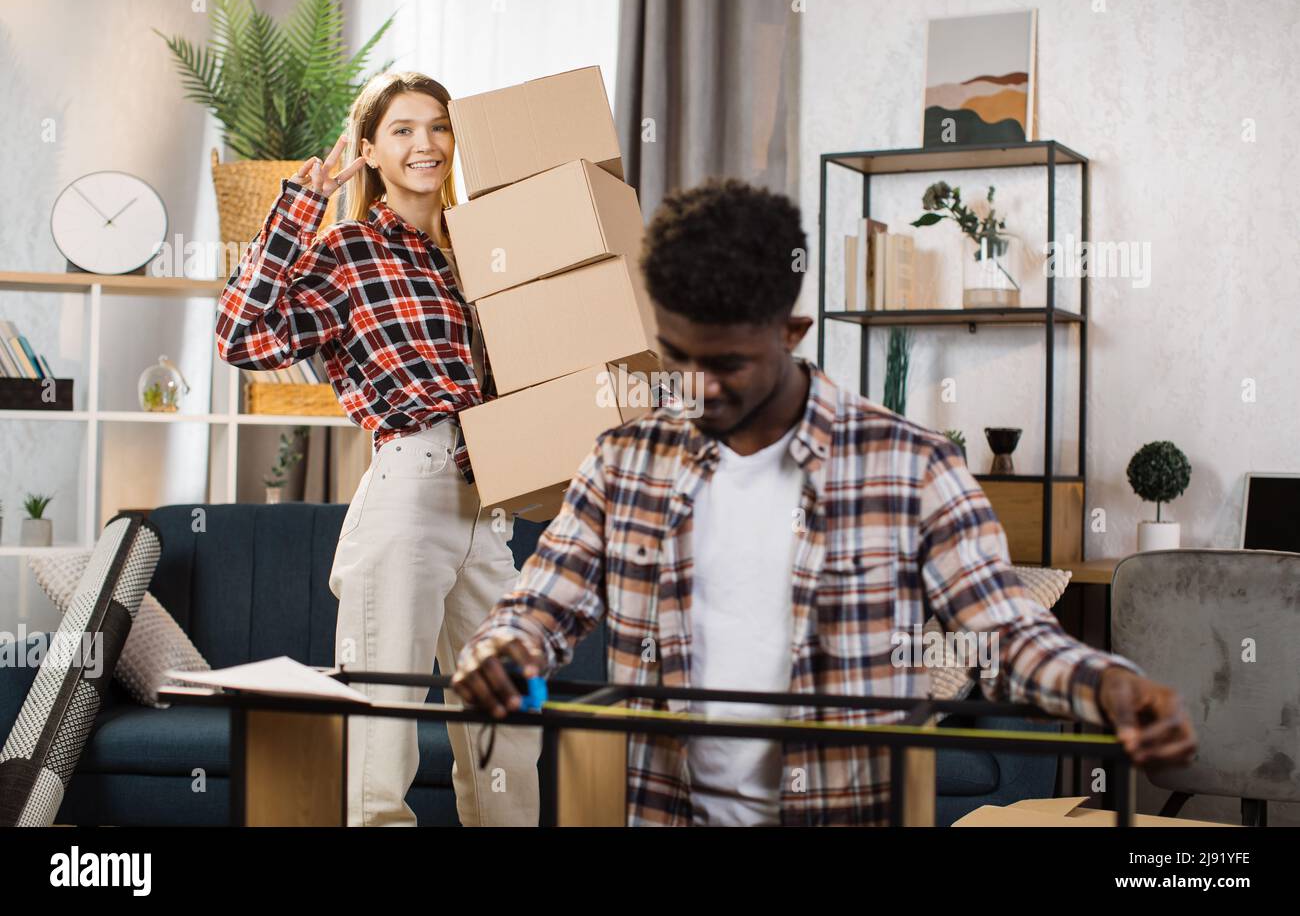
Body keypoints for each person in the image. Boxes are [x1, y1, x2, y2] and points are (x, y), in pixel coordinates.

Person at [451, 177, 1197, 826]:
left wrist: (1107, 685)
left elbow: (1001, 631)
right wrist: (502, 652)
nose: (698, 390)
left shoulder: (910, 467)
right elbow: (539, 608)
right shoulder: (626, 463)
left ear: (792, 332)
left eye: (729, 364)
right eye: (678, 358)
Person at [215, 71, 539, 827]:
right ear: (371, 151)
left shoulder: (483, 248)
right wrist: (302, 202)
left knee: (510, 730)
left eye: (438, 127)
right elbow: (241, 335)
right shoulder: (349, 250)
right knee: (383, 727)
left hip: (489, 505)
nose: (424, 143)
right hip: (409, 491)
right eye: (402, 130)